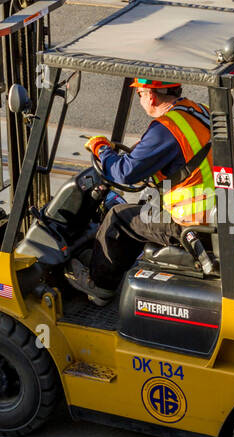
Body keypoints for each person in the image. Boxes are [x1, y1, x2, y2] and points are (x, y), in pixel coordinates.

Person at [66, 78, 215, 305]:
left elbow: (123, 173)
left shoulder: (167, 129)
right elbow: (181, 157)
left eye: (139, 94)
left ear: (151, 96)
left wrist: (101, 148)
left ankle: (100, 286)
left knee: (118, 217)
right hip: (213, 209)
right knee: (144, 207)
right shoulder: (196, 111)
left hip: (190, 224)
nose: (140, 99)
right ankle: (121, 264)